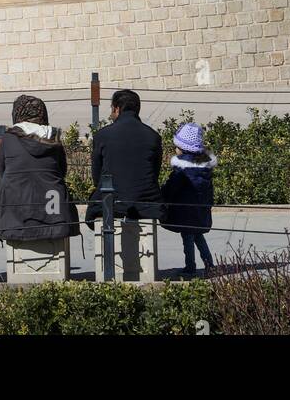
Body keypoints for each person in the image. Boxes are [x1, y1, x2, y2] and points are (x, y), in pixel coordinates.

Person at [0, 94, 80, 244]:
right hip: (55, 216)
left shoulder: (8, 139)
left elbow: (2, 174)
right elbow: (62, 171)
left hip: (16, 217)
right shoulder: (53, 138)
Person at [85, 89, 165, 228]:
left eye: (111, 109)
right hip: (147, 204)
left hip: (111, 204)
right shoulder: (153, 136)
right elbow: (154, 173)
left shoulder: (102, 135)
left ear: (117, 109)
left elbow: (97, 177)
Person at [160, 122, 217, 278]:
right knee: (199, 237)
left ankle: (190, 267)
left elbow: (172, 188)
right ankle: (209, 265)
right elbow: (209, 191)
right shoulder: (205, 168)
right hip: (199, 211)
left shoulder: (182, 169)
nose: (175, 149)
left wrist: (163, 196)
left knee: (187, 239)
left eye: (176, 146)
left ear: (183, 148)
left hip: (185, 211)